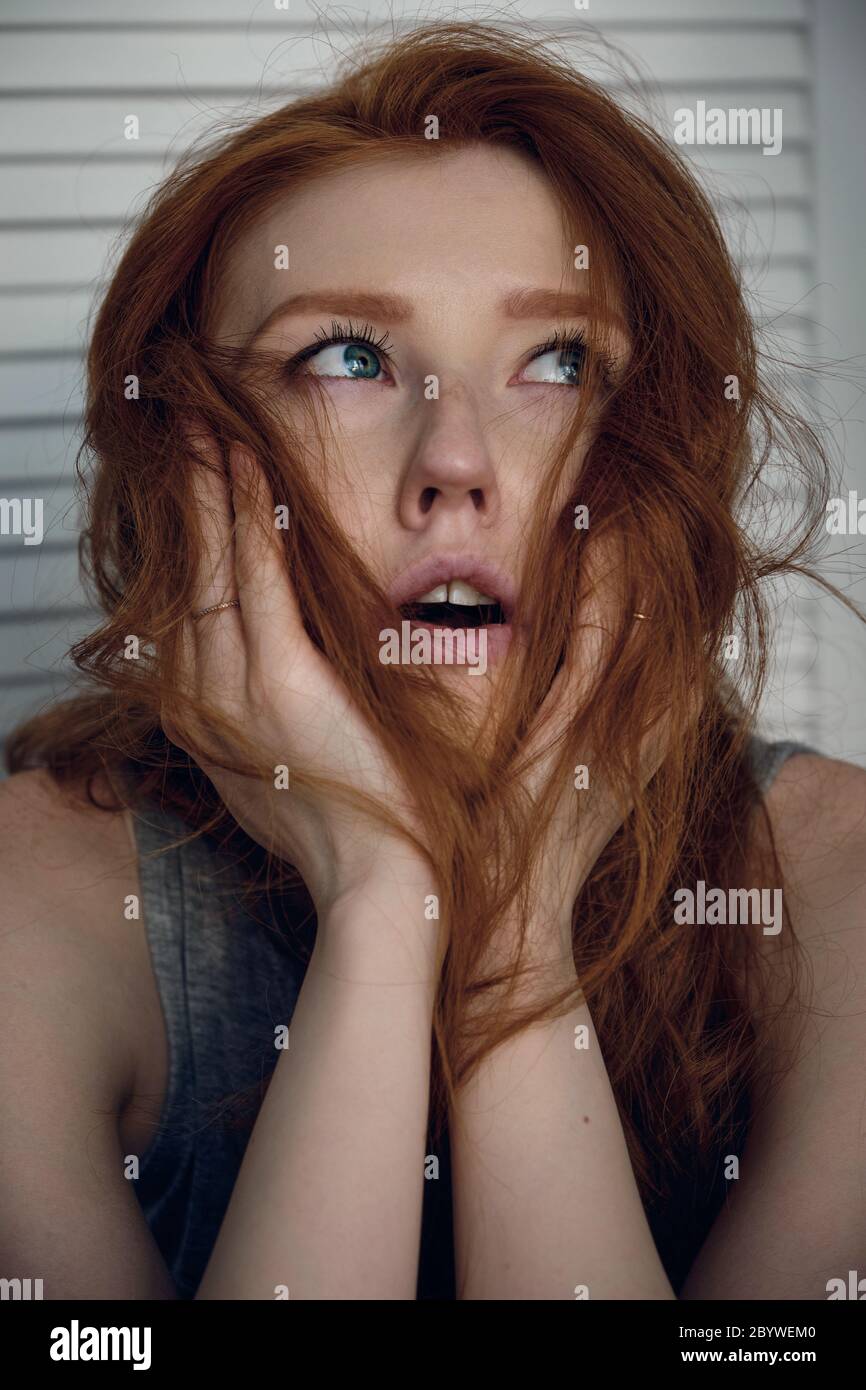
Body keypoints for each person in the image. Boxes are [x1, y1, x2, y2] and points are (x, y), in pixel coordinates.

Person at [1, 21, 864, 1301]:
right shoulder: (32, 907)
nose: (454, 460)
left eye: (557, 362)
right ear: (189, 468)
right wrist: (380, 900)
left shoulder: (835, 884)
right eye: (344, 358)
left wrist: (510, 925)